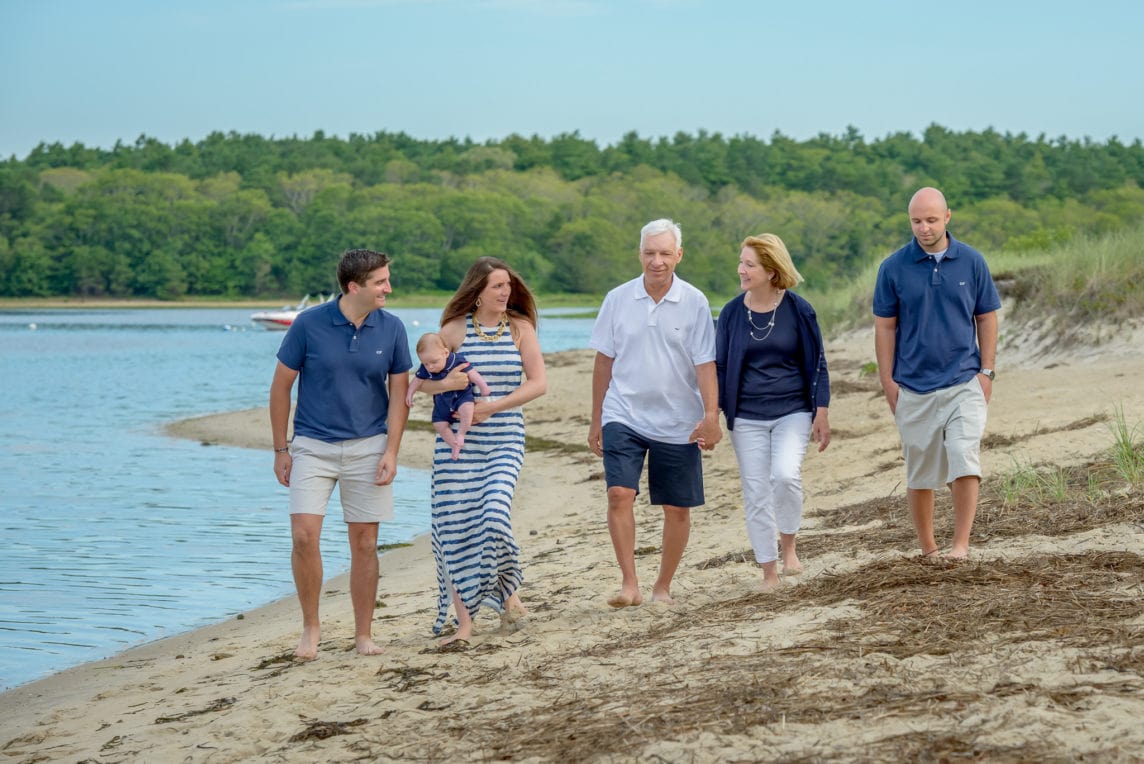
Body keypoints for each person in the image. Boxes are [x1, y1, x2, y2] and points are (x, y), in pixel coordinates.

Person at [268, 248, 412, 660]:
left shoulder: (393, 328)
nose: (389, 287)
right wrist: (281, 449)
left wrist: (392, 451)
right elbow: (281, 388)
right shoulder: (308, 325)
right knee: (303, 535)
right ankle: (311, 629)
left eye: (387, 279)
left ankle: (363, 635)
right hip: (312, 446)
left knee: (365, 543)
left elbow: (399, 393)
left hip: (369, 446)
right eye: (381, 281)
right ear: (354, 287)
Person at [587, 218, 722, 608]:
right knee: (618, 493)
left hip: (679, 419)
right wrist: (597, 417)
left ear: (679, 255)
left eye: (665, 253)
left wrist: (710, 416)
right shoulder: (617, 299)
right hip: (623, 412)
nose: (657, 261)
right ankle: (630, 584)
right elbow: (603, 361)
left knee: (676, 507)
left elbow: (705, 364)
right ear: (640, 254)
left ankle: (662, 586)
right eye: (650, 253)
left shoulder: (694, 301)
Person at [416, 257, 547, 645]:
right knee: (455, 529)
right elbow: (422, 382)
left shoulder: (520, 329)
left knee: (493, 515)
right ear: (477, 291)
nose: (505, 292)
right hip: (458, 447)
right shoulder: (453, 330)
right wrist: (450, 384)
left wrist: (493, 405)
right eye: (497, 286)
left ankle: (508, 593)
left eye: (508, 285)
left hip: (505, 439)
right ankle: (466, 624)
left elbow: (538, 383)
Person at [873, 187, 1001, 561]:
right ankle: (929, 549)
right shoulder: (893, 268)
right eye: (916, 221)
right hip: (912, 385)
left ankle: (960, 545)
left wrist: (987, 372)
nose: (924, 228)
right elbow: (885, 328)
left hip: (964, 379)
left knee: (964, 455)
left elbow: (986, 317)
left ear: (947, 217)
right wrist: (888, 381)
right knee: (921, 471)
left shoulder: (972, 262)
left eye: (931, 220)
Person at [716, 234, 831, 591]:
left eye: (749, 264)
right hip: (746, 416)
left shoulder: (799, 309)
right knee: (755, 491)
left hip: (792, 410)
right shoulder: (732, 313)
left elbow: (818, 363)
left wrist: (821, 411)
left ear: (771, 270)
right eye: (741, 262)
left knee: (784, 475)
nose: (741, 269)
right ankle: (768, 573)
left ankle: (790, 548)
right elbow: (719, 367)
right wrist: (712, 413)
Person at [406, 332, 492, 460]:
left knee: (467, 410)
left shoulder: (456, 360)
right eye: (425, 364)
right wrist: (410, 393)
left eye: (433, 362)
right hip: (442, 402)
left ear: (445, 353)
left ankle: (461, 434)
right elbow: (417, 381)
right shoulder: (426, 367)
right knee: (439, 424)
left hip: (461, 397)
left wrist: (483, 386)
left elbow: (472, 373)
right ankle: (454, 445)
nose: (430, 367)